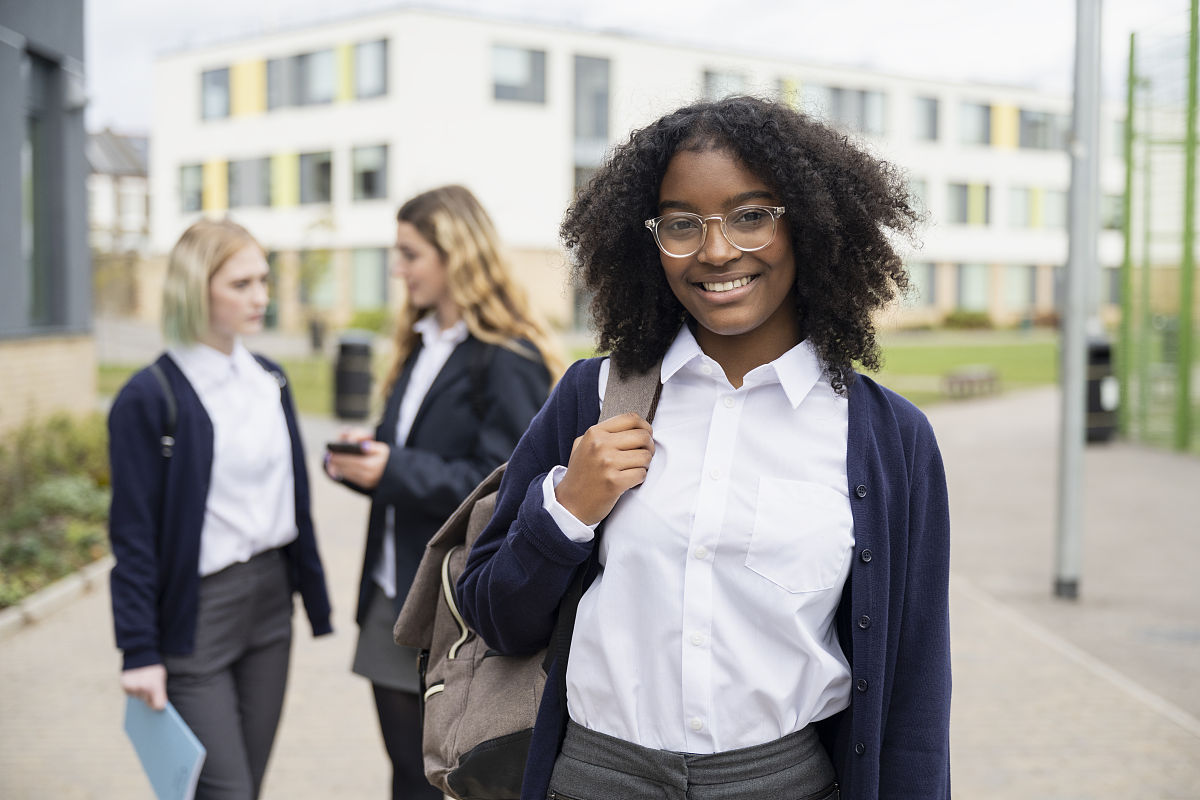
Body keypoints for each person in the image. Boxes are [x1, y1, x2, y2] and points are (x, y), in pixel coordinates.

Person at [456, 96, 951, 800]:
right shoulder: (592, 397)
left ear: (807, 223)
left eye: (752, 216)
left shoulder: (888, 441)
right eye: (682, 225)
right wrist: (568, 511)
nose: (717, 251)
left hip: (782, 783)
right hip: (595, 781)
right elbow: (495, 617)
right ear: (648, 240)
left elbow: (915, 691)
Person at [325, 184, 561, 800]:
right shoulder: (419, 344)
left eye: (409, 254)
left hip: (447, 609)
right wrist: (366, 457)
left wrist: (393, 469)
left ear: (455, 253)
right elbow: (405, 451)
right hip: (389, 598)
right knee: (404, 776)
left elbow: (502, 487)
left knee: (439, 784)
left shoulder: (506, 358)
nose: (397, 270)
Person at [108, 218, 333, 800]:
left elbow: (292, 498)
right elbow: (132, 535)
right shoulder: (149, 397)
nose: (261, 296)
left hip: (269, 605)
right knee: (224, 791)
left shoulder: (271, 381)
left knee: (245, 786)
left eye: (263, 280)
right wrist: (138, 650)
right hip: (197, 615)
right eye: (241, 284)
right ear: (194, 288)